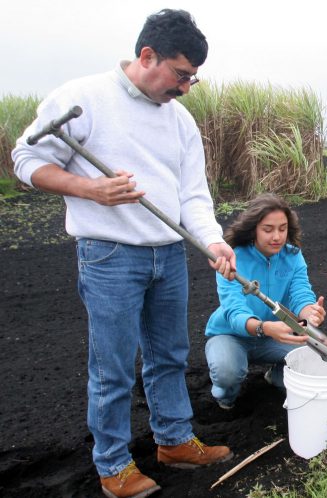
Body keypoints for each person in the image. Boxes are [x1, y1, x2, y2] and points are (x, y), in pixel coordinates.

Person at [13, 9, 236, 498]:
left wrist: (213, 240)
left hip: (168, 254)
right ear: (147, 56)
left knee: (170, 356)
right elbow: (25, 159)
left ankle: (174, 441)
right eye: (181, 75)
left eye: (193, 78)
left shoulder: (180, 121)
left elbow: (193, 194)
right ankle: (113, 465)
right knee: (112, 365)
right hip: (110, 255)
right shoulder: (83, 98)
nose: (185, 87)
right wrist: (89, 189)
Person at [205, 193, 326, 410]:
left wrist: (310, 312)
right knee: (228, 372)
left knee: (311, 359)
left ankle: (277, 376)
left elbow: (300, 293)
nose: (277, 236)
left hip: (275, 333)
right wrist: (263, 327)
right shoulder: (233, 258)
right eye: (268, 229)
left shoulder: (293, 255)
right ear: (254, 229)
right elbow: (234, 311)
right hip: (231, 334)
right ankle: (226, 397)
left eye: (282, 228)